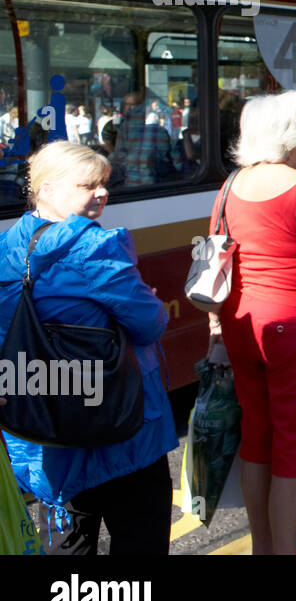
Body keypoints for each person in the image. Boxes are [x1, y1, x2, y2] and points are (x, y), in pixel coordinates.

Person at [0, 142, 175, 554]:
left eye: (104, 183)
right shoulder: (94, 246)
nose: (102, 193)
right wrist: (144, 299)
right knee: (140, 539)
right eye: (88, 185)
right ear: (47, 188)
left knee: (68, 545)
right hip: (120, 428)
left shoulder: (6, 249)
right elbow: (149, 324)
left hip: (43, 429)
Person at [209, 92, 296, 555]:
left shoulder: (231, 186)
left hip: (241, 324)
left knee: (257, 437)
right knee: (292, 446)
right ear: (288, 137)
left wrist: (215, 331)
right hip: (293, 329)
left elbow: (216, 257)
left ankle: (262, 549)